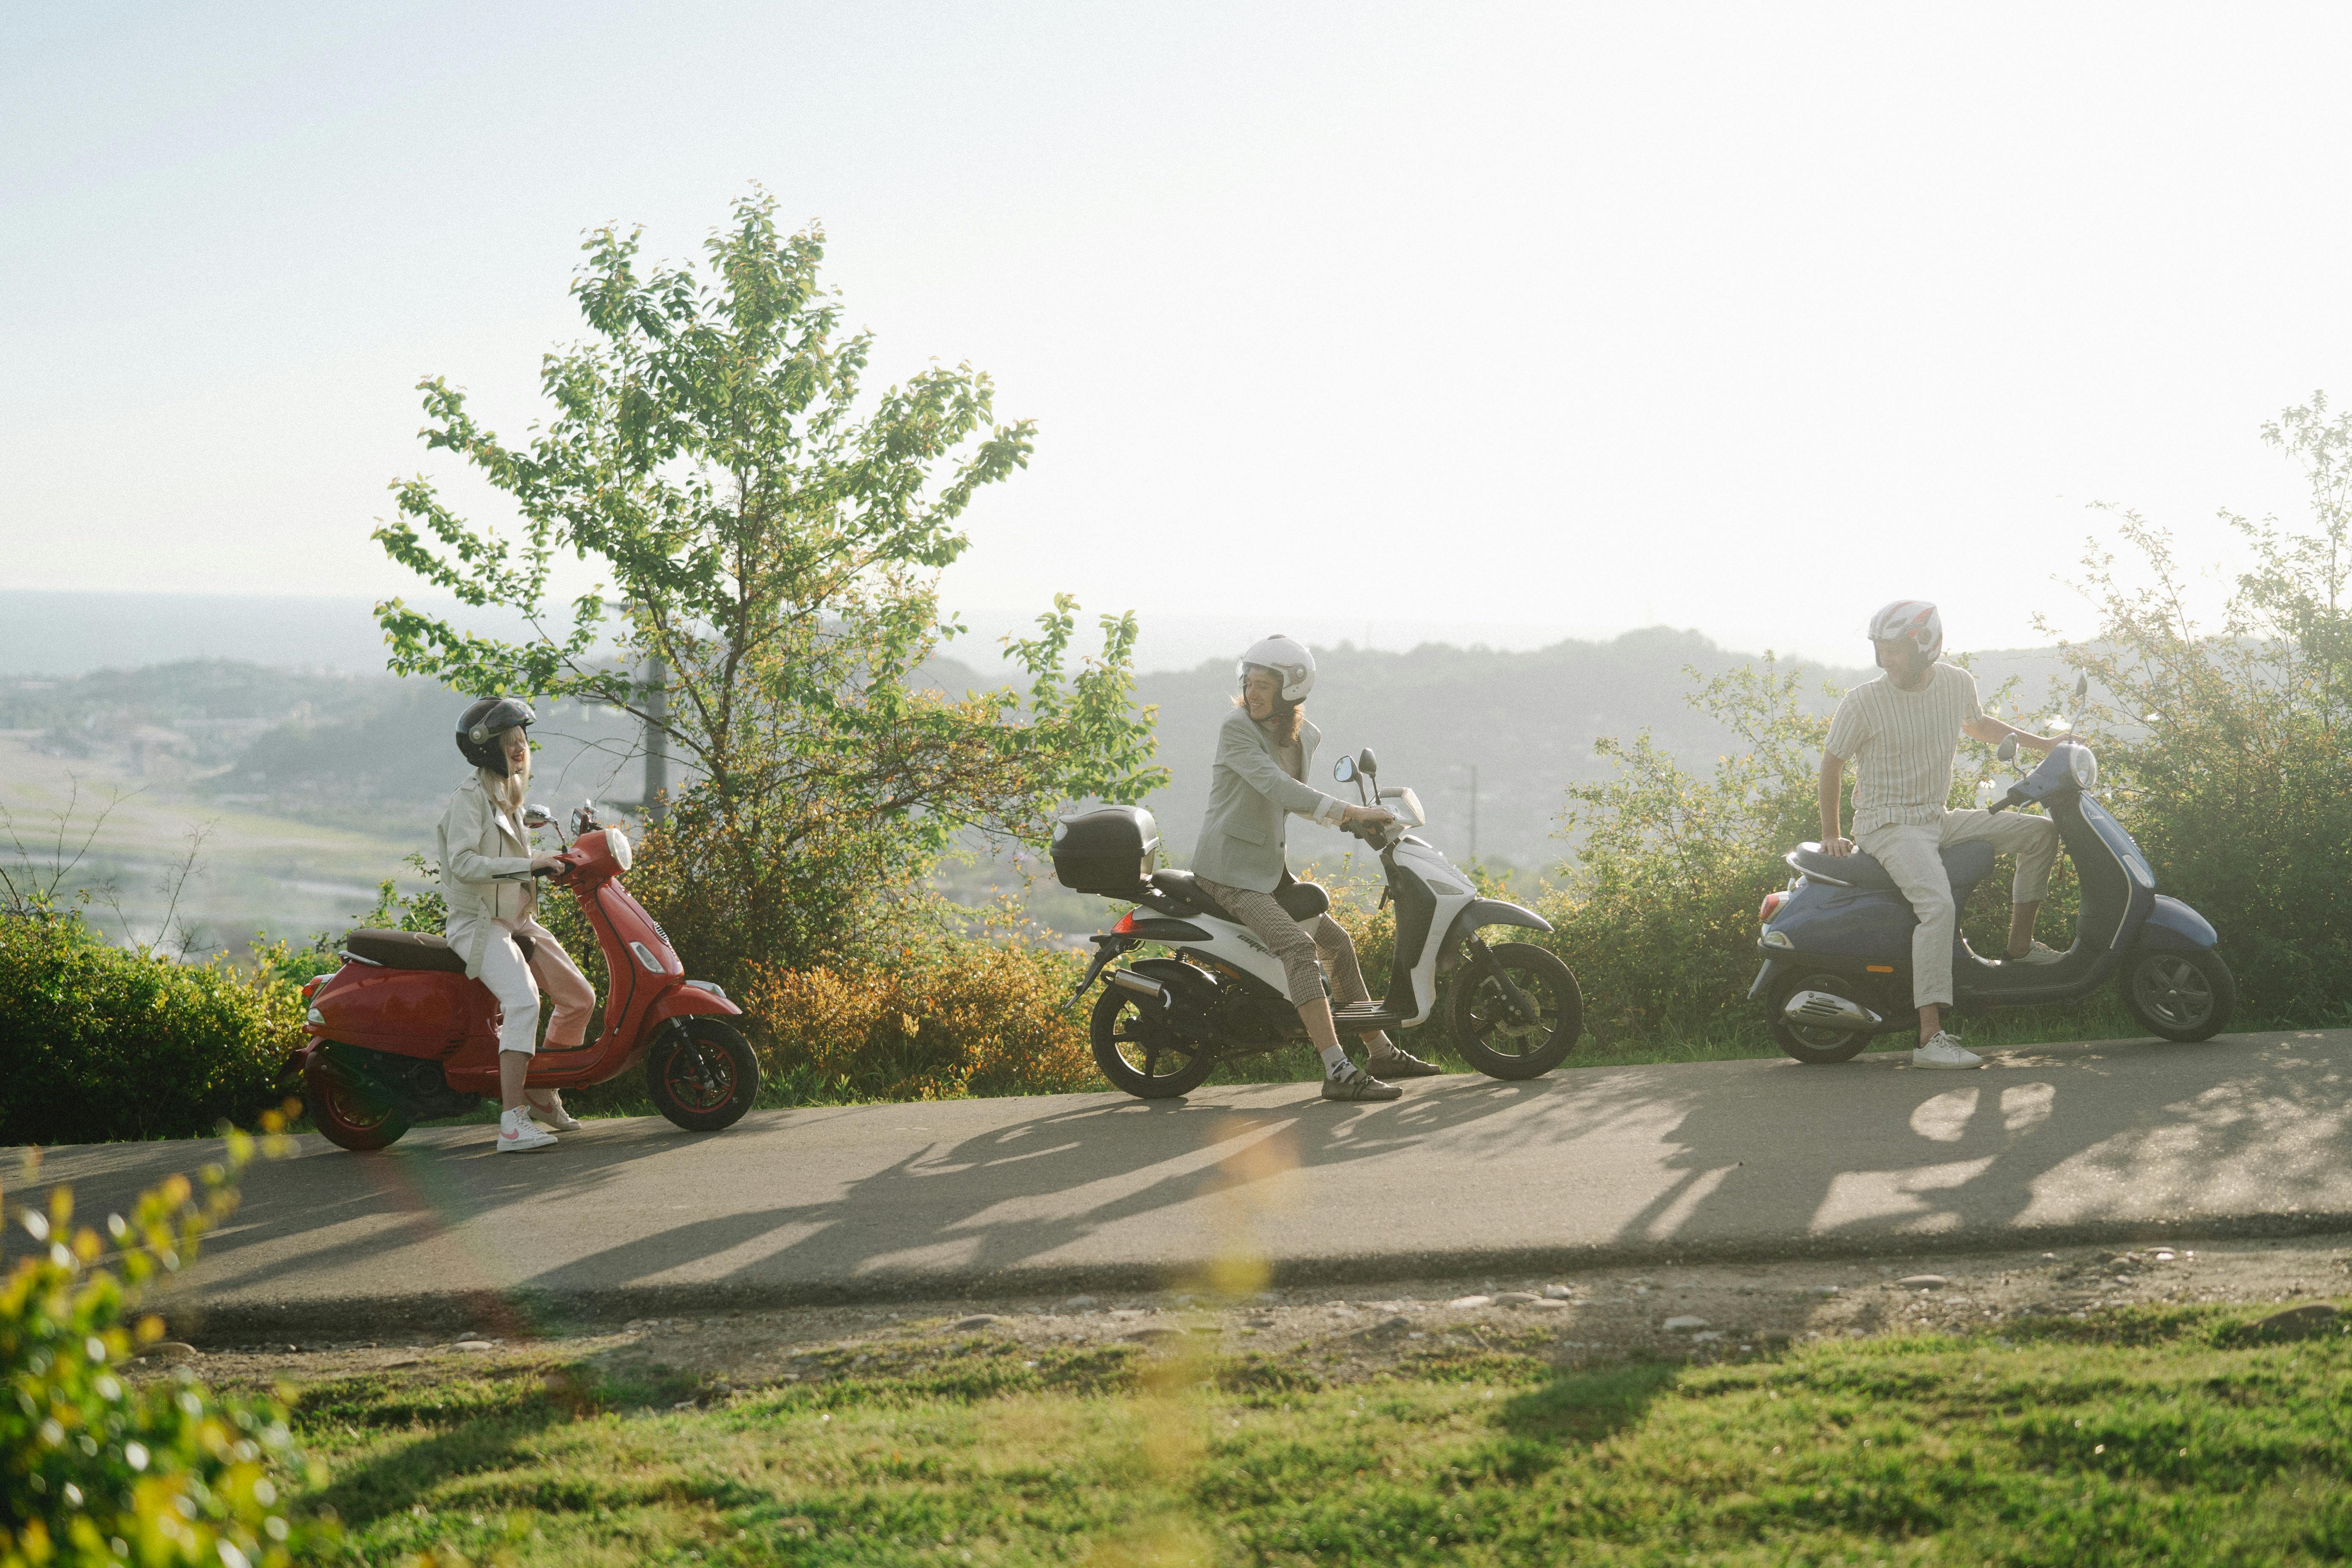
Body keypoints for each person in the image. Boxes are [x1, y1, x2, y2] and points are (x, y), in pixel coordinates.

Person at [1191, 635, 1442, 1102]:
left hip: (1265, 866)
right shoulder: (1237, 728)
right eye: (1250, 682)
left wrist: (1351, 823)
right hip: (1227, 869)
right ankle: (1336, 1069)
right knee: (1298, 949)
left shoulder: (1303, 736)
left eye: (1265, 684)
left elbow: (1294, 799)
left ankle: (1381, 1051)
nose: (1254, 692)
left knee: (1338, 944)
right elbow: (1274, 785)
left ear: (1291, 692)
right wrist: (1349, 812)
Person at [1818, 601, 2064, 1070]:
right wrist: (1832, 833)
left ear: (1925, 647)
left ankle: (2020, 947)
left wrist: (2045, 745)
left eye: (1895, 651)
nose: (1887, 660)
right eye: (1881, 650)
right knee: (1938, 905)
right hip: (1887, 824)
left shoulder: (1956, 683)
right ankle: (1930, 1037)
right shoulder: (1863, 701)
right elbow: (1832, 763)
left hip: (1936, 817)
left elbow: (1979, 725)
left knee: (2041, 834)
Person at [440, 697, 598, 1150]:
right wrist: (529, 867)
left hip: (514, 917)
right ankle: (512, 1122)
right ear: (487, 749)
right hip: (479, 924)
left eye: (523, 740)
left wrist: (552, 861)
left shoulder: (508, 793)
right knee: (525, 1002)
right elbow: (465, 863)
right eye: (510, 742)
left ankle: (542, 1094)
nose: (519, 748)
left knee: (579, 998)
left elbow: (512, 857)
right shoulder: (470, 798)